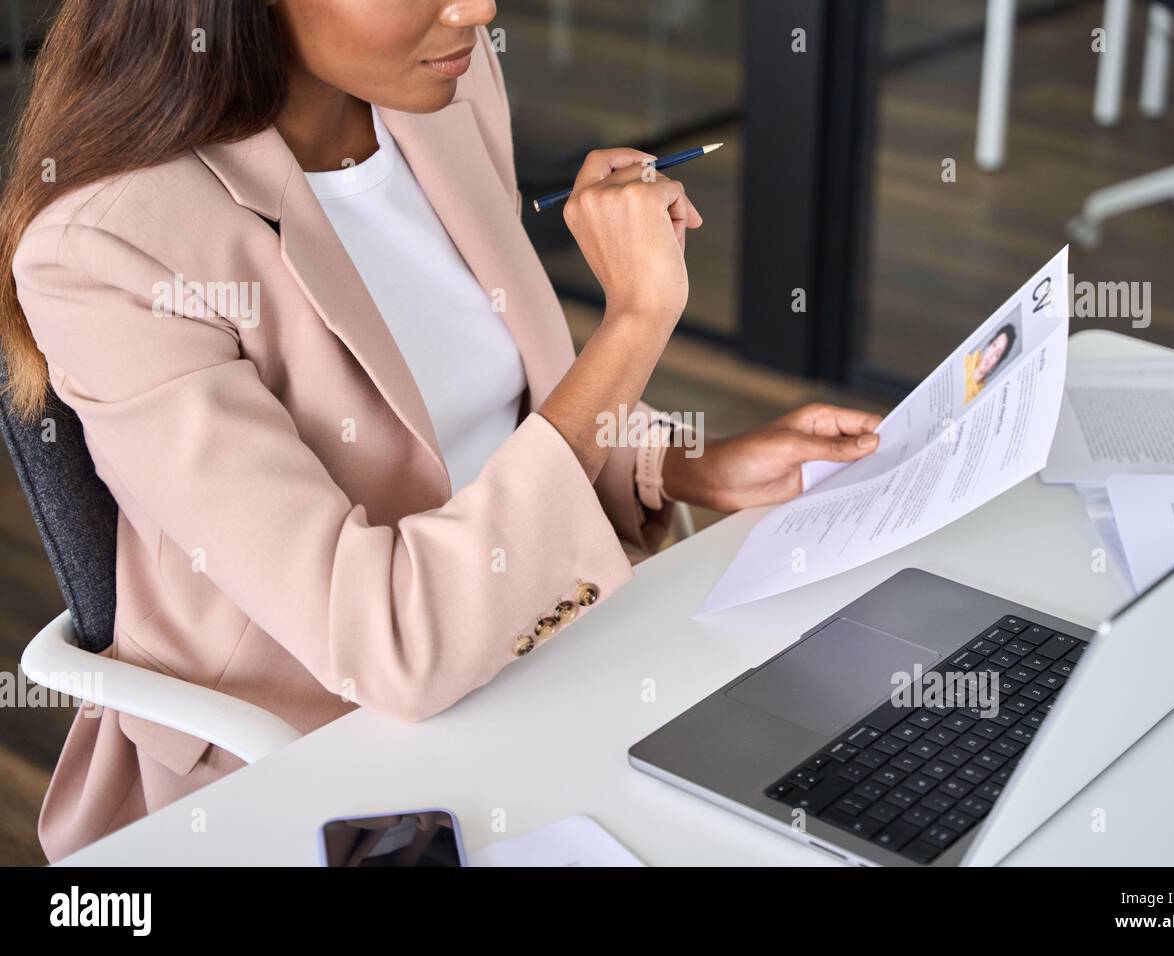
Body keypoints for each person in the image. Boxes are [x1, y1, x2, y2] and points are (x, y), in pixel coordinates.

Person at [0, 0, 882, 860]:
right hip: (320, 746)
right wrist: (637, 319)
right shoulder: (107, 249)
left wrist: (687, 464)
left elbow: (496, 409)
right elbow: (389, 643)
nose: (475, 9)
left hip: (547, 648)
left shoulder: (444, 89)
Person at [963, 323, 1017, 403]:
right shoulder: (964, 361)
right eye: (994, 345)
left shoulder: (982, 398)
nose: (991, 354)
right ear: (989, 345)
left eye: (997, 354)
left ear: (997, 362)